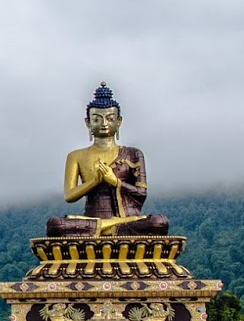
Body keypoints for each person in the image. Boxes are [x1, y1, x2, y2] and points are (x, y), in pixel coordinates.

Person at [48, 82, 169, 237]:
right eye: (97, 119)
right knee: (55, 225)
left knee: (158, 223)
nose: (104, 124)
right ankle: (111, 226)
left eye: (110, 118)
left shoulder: (134, 154)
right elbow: (69, 195)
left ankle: (103, 227)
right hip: (92, 217)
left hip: (127, 218)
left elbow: (141, 193)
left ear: (118, 122)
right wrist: (95, 181)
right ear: (88, 123)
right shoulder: (76, 156)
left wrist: (114, 181)